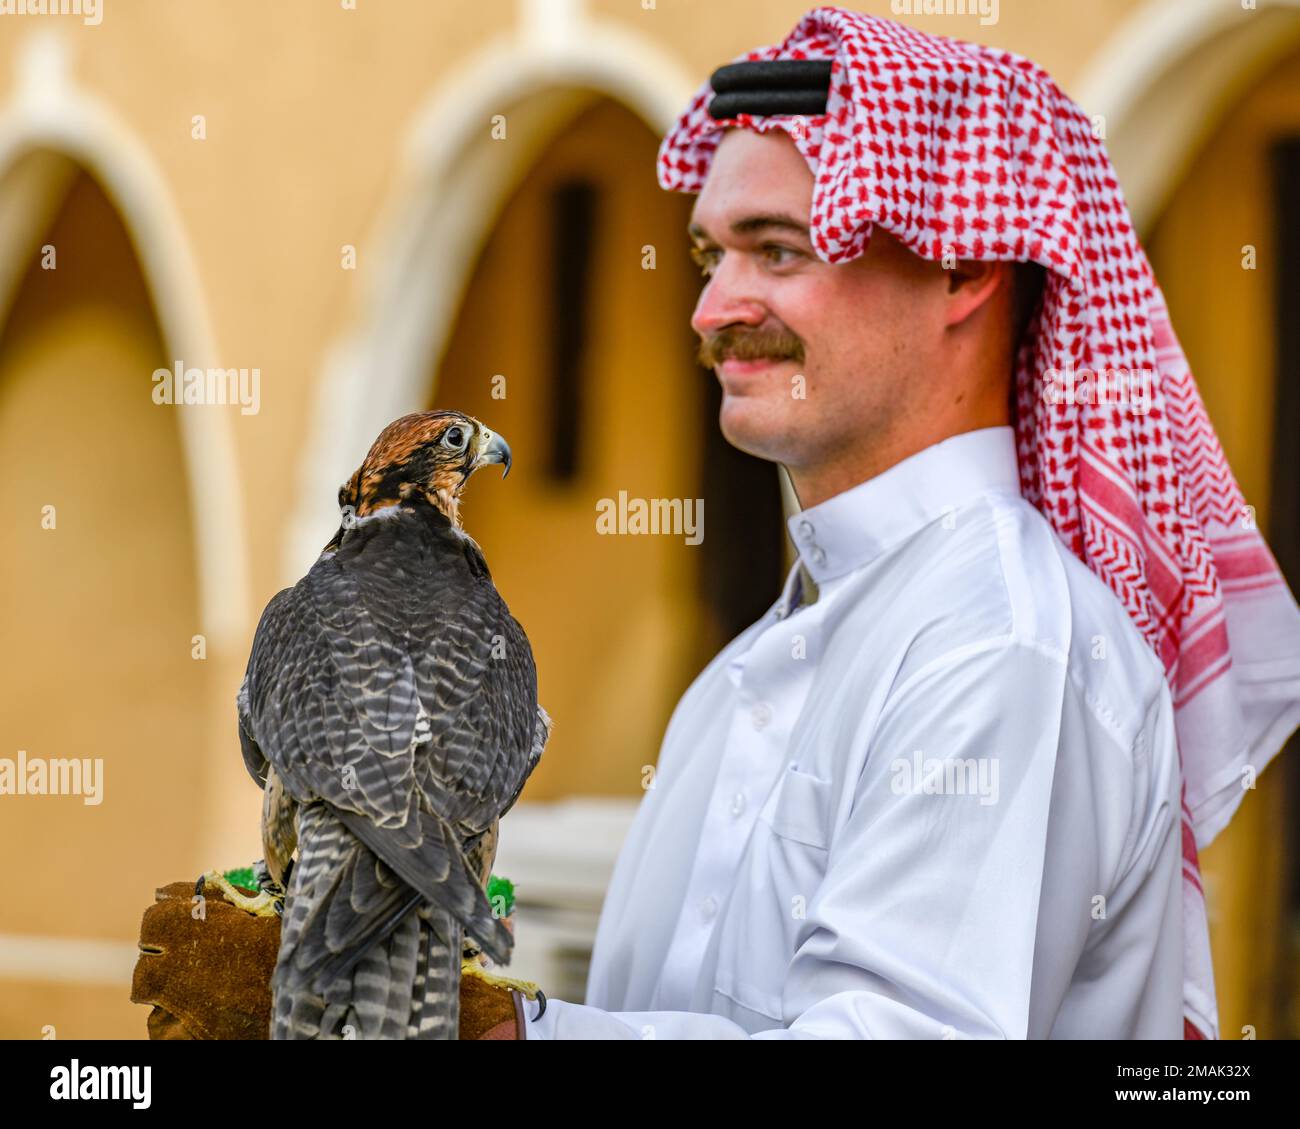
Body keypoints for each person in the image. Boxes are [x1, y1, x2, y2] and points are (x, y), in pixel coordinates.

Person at [522, 7, 1300, 1039]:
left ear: (965, 267)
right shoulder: (743, 677)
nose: (712, 306)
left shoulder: (999, 645)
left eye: (780, 251)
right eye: (712, 254)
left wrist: (507, 1031)